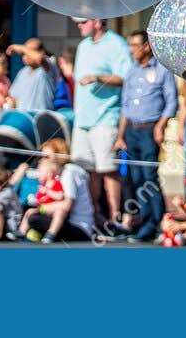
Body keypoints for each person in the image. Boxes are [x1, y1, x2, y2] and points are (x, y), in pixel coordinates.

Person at [116, 29, 177, 242]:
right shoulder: (132, 71)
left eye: (134, 45)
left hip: (149, 130)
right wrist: (120, 136)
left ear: (146, 46)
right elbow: (125, 106)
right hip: (131, 130)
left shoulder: (162, 70)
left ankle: (155, 222)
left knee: (149, 177)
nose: (131, 50)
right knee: (135, 178)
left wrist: (160, 126)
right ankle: (143, 220)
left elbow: (171, 103)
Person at [72, 17, 131, 231]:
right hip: (83, 119)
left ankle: (115, 217)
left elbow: (126, 77)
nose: (78, 25)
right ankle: (94, 216)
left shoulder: (116, 44)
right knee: (87, 170)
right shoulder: (82, 46)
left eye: (82, 22)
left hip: (106, 117)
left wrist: (98, 77)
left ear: (96, 21)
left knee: (108, 170)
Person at [24, 139, 96, 242]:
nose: (44, 160)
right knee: (33, 216)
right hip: (64, 220)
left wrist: (41, 208)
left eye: (47, 156)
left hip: (78, 226)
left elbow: (66, 205)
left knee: (35, 219)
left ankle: (48, 236)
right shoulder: (57, 173)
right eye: (43, 156)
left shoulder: (69, 171)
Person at [8, 38, 58, 113]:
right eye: (23, 53)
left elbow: (39, 59)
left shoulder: (47, 66)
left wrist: (21, 48)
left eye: (28, 52)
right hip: (24, 120)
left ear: (41, 52)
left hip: (42, 119)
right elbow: (13, 98)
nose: (26, 56)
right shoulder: (22, 72)